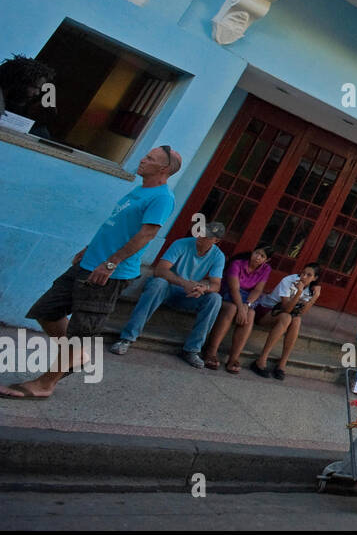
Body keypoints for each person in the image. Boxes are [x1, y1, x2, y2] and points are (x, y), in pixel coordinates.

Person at [2, 145, 180, 399]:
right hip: (88, 263)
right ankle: (76, 356)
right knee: (47, 311)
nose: (142, 159)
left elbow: (147, 233)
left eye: (150, 158)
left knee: (81, 330)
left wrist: (111, 263)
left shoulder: (162, 197)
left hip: (109, 273)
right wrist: (88, 249)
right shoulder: (140, 189)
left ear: (163, 169)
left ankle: (45, 384)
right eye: (145, 155)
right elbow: (116, 225)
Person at [110, 222, 226, 368]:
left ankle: (192, 350)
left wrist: (204, 288)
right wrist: (184, 283)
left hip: (189, 295)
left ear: (216, 241)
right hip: (168, 288)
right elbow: (160, 270)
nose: (201, 236)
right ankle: (127, 338)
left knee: (215, 299)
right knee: (158, 283)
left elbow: (216, 285)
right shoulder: (181, 244)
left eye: (207, 236)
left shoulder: (218, 256)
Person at [201, 245, 273, 373]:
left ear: (266, 260)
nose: (258, 257)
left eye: (262, 256)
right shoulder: (237, 264)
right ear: (252, 252)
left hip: (246, 299)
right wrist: (241, 307)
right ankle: (211, 351)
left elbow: (258, 290)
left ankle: (233, 358)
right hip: (228, 293)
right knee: (232, 309)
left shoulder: (266, 269)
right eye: (257, 253)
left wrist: (247, 306)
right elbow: (233, 288)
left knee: (250, 314)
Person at [250, 261, 322, 380]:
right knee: (287, 317)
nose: (304, 277)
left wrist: (315, 297)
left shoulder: (310, 289)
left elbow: (301, 313)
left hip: (282, 317)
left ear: (315, 278)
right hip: (265, 311)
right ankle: (261, 359)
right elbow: (287, 309)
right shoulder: (289, 281)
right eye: (303, 273)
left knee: (297, 320)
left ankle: (282, 363)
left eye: (309, 275)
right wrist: (298, 292)